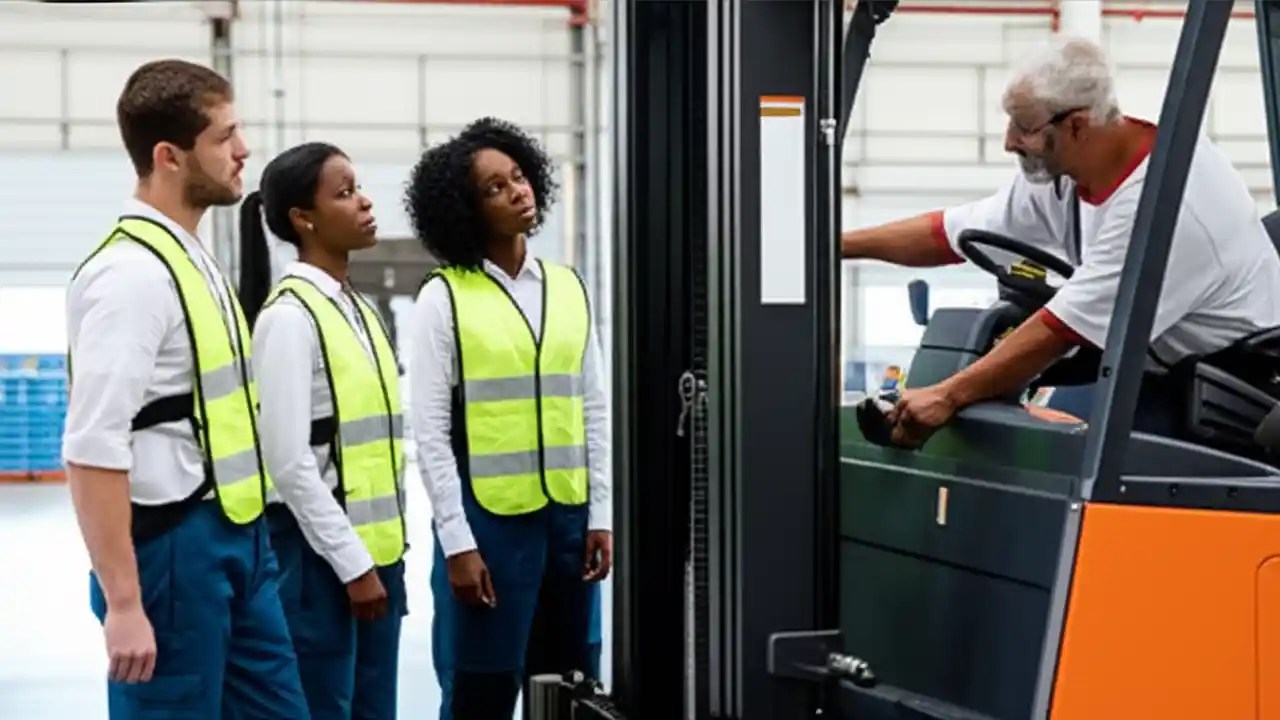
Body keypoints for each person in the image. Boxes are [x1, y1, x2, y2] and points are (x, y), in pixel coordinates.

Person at [840, 37, 1280, 448]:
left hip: (1229, 393)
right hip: (1152, 367)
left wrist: (946, 396)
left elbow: (1060, 329)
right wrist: (834, 247)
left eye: (1024, 127)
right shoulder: (1065, 174)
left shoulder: (1169, 203)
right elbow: (949, 234)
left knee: (1072, 450)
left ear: (1077, 126)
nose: (1009, 141)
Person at [62, 59, 311, 717]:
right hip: (174, 555)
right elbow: (92, 447)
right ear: (168, 157)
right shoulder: (131, 277)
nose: (244, 149)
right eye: (224, 136)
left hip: (239, 538)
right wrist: (124, 603)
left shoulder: (192, 258)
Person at [405, 116, 612, 719]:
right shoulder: (443, 297)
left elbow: (593, 408)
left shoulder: (569, 287)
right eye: (494, 188)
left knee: (571, 689)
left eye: (518, 176)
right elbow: (430, 434)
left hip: (568, 523)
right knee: (481, 693)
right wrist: (457, 543)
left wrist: (600, 514)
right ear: (467, 210)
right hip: (489, 530)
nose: (517, 191)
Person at [238, 142, 409, 719]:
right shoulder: (290, 318)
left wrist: (376, 561)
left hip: (378, 556)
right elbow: (288, 462)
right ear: (303, 219)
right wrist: (352, 563)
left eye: (359, 188)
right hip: (321, 565)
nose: (365, 202)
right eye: (345, 193)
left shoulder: (358, 311)